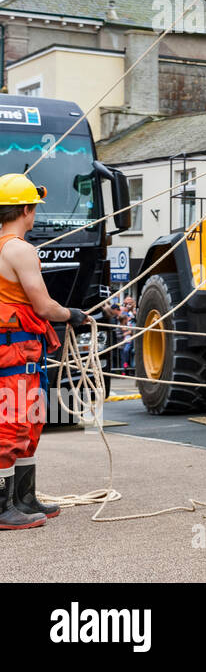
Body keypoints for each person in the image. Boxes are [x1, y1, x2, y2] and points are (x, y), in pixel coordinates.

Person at [0, 174, 87, 529]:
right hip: (15, 353)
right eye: (34, 208)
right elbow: (44, 306)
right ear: (26, 209)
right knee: (11, 427)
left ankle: (23, 498)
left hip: (24, 353)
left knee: (30, 424)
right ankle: (4, 507)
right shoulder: (19, 249)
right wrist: (74, 315)